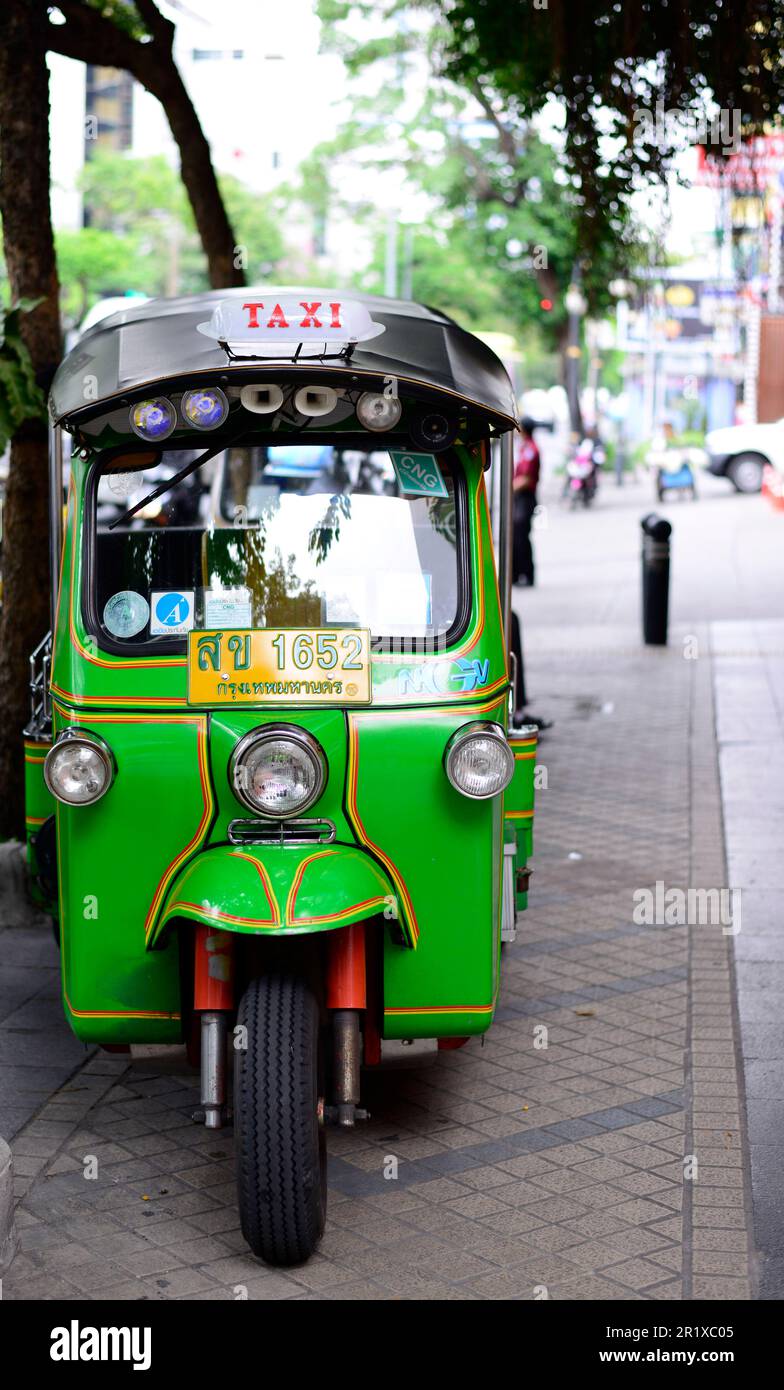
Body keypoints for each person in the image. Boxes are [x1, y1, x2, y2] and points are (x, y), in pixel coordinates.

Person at [513, 418, 540, 586]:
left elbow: (526, 478)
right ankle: (517, 574)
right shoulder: (524, 448)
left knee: (521, 537)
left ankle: (527, 575)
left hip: (525, 497)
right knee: (517, 536)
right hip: (520, 497)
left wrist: (509, 488)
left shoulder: (531, 449)